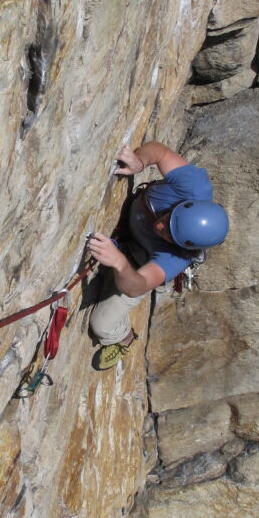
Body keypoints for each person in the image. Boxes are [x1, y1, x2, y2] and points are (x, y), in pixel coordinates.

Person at [86, 140, 229, 370]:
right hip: (132, 229)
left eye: (170, 235)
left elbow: (136, 286)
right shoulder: (194, 186)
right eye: (168, 218)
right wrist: (139, 162)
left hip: (136, 261)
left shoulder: (178, 258)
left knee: (101, 324)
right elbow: (159, 152)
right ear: (185, 205)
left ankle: (123, 338)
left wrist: (119, 263)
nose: (161, 227)